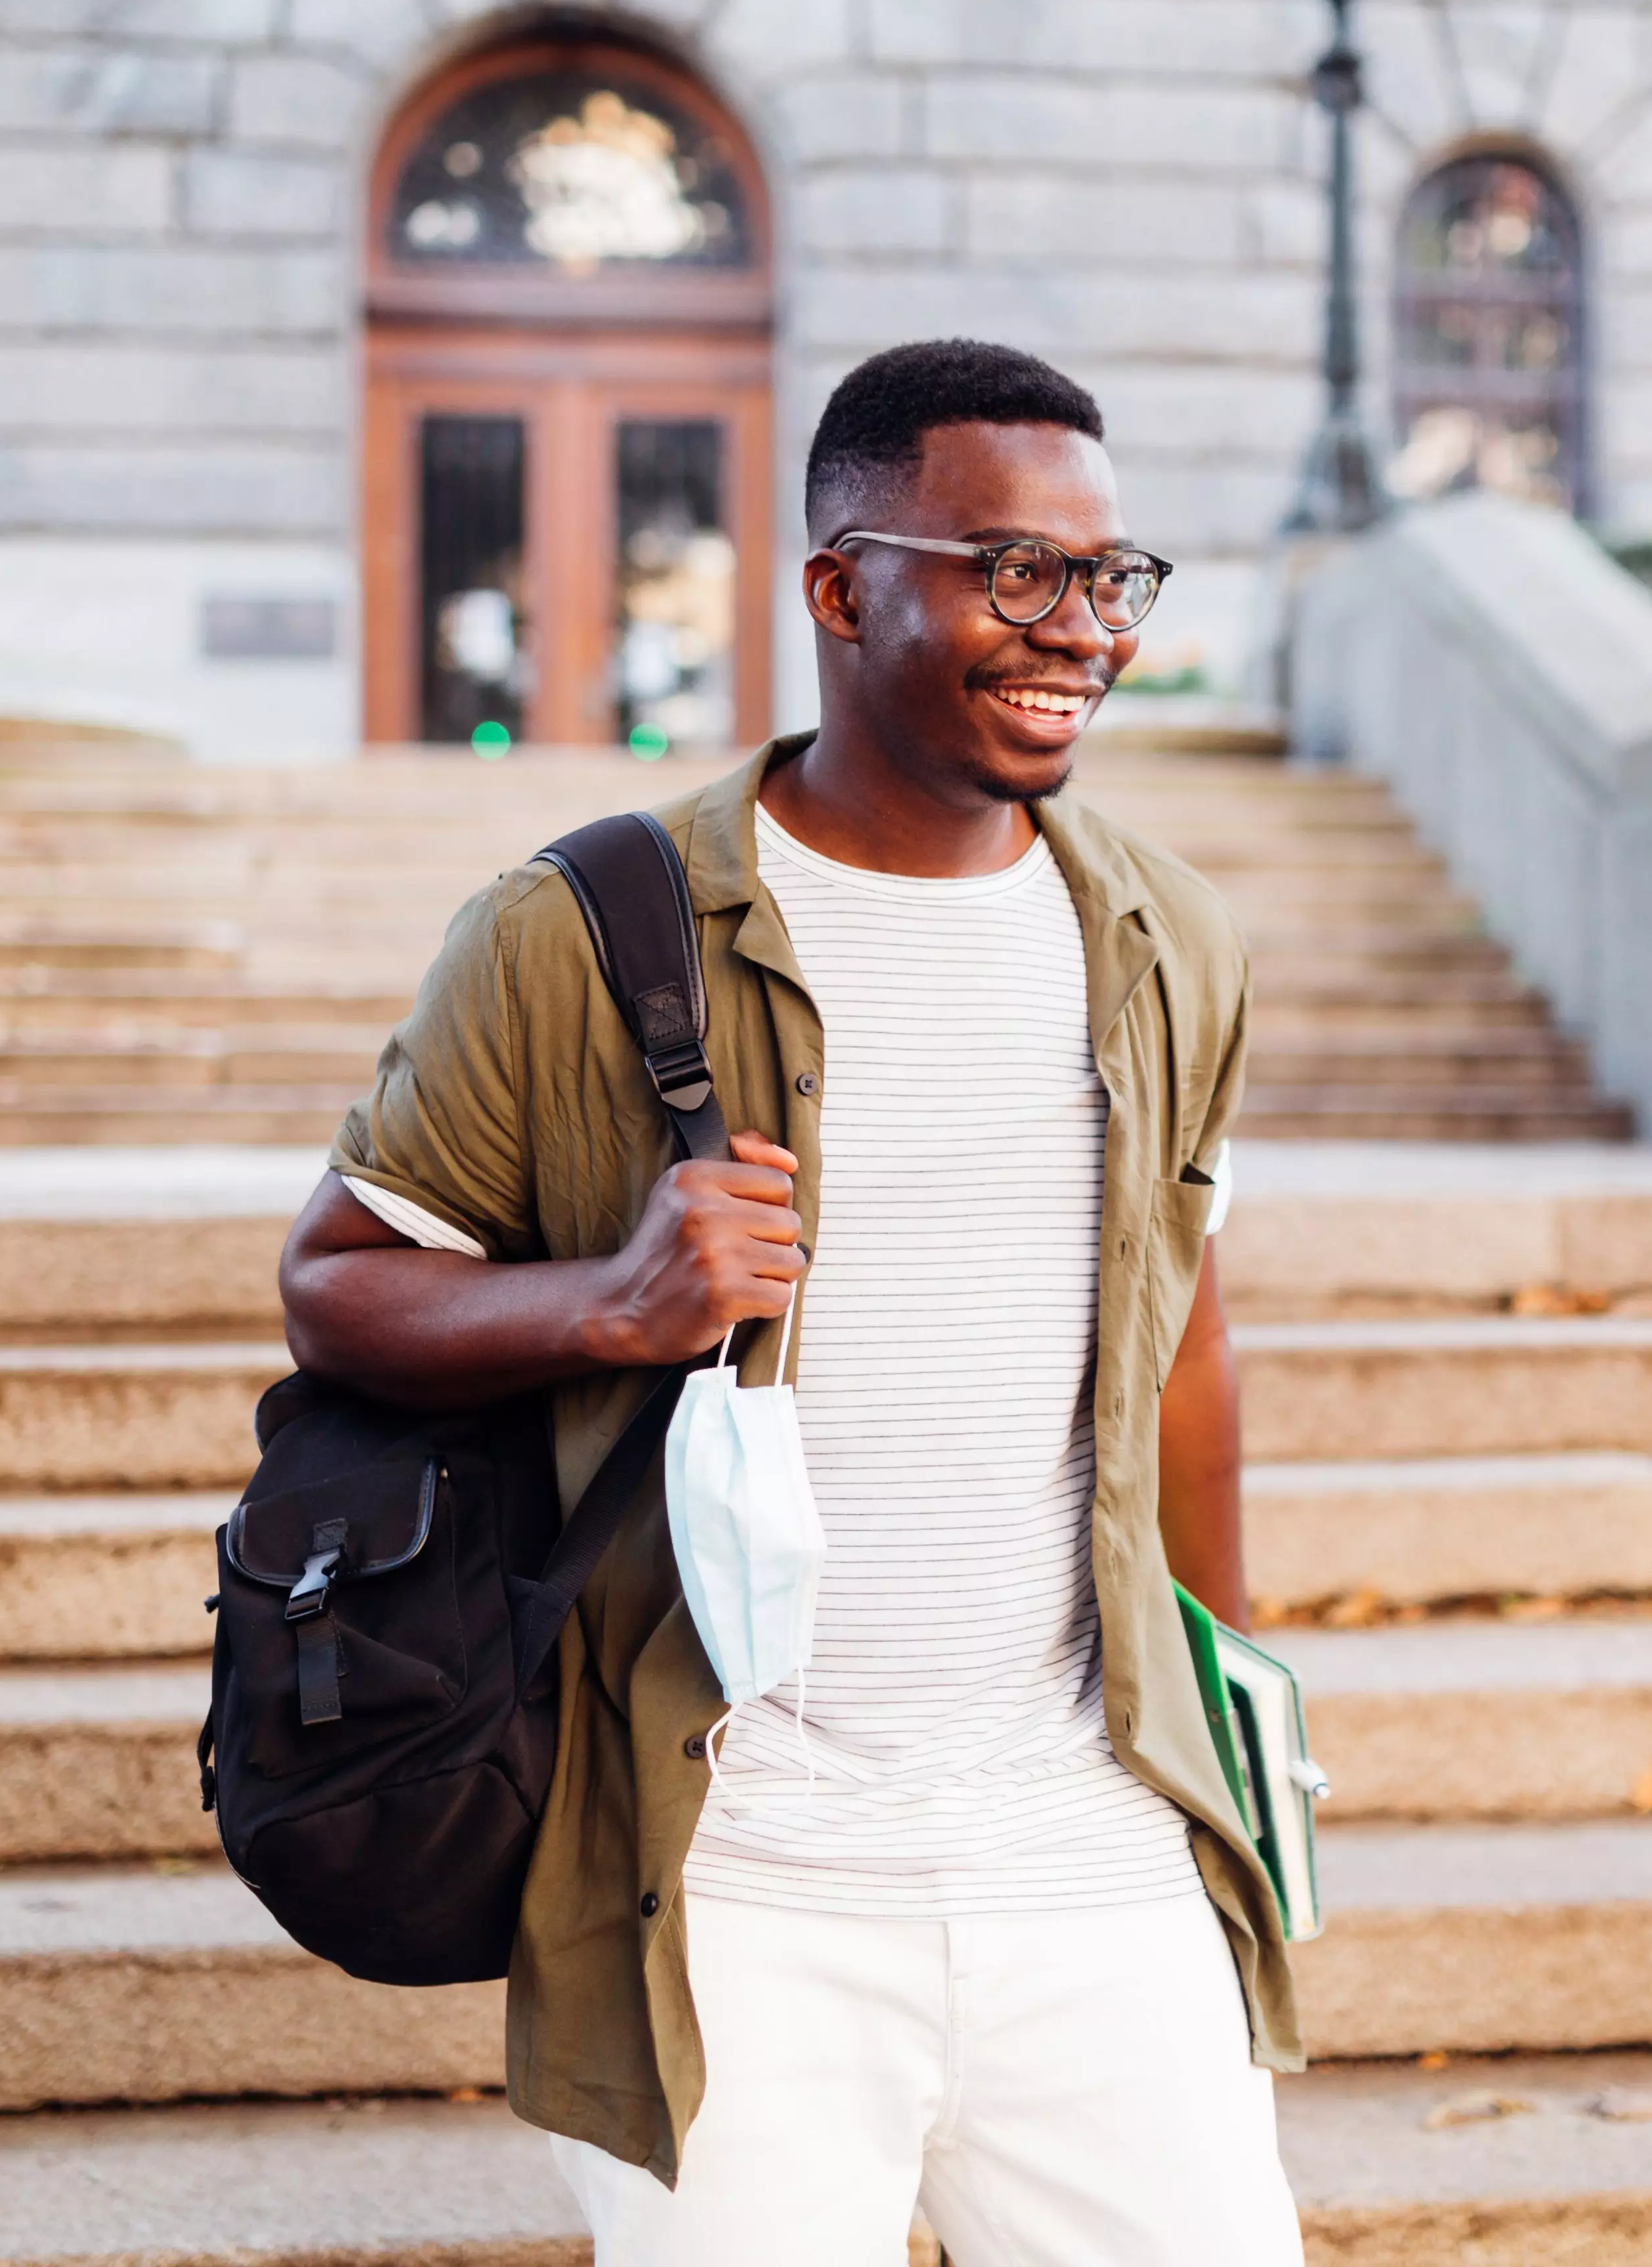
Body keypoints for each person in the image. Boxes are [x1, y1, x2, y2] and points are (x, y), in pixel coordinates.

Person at [278, 338, 1304, 2265]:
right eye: (1017, 571)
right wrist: (612, 1304)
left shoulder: (1168, 938)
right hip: (730, 1874)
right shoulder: (581, 932)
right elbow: (337, 1286)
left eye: (1110, 577)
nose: (1080, 627)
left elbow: (1189, 1344)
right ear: (843, 588)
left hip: (1092, 1852)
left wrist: (1233, 1726)